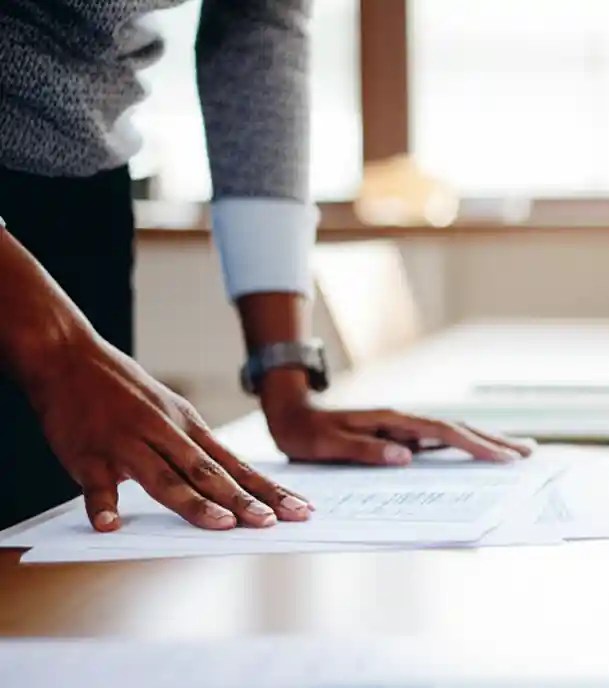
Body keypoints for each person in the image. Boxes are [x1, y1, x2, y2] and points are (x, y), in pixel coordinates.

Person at [0, 1, 532, 533]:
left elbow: (258, 26)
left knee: (58, 547)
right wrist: (56, 347)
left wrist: (287, 388)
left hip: (80, 190)